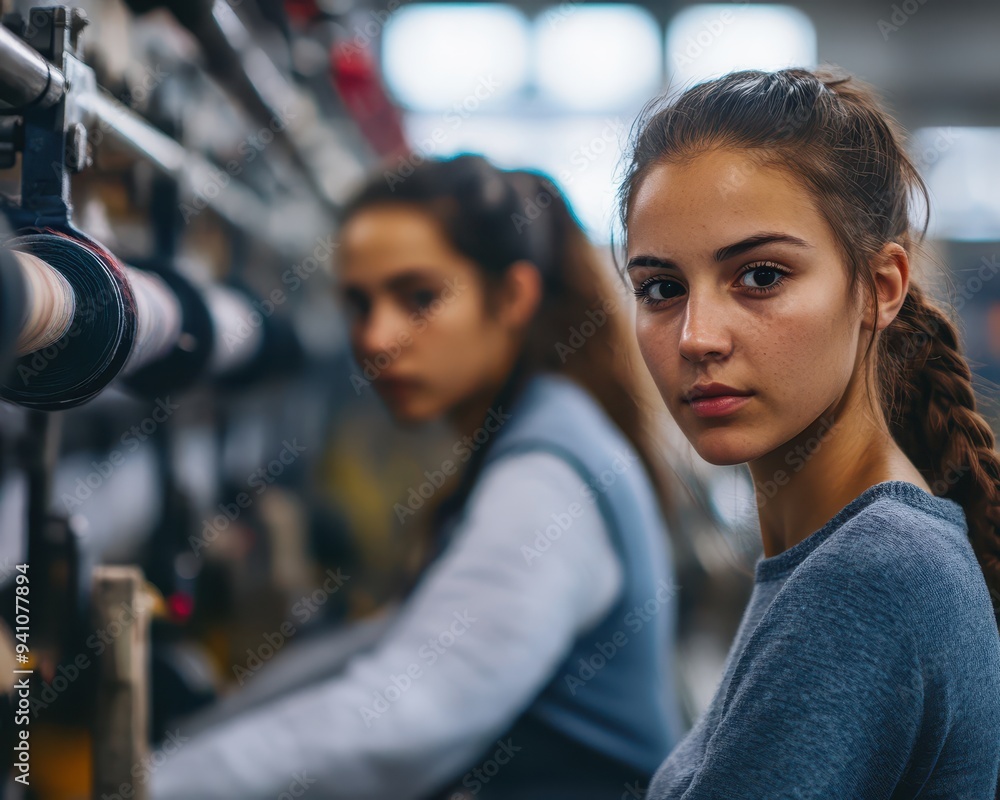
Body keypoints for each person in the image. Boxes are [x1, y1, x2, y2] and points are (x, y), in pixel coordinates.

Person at [151, 154, 683, 799]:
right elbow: (391, 643)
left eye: (419, 297)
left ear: (512, 297)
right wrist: (199, 738)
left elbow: (404, 718)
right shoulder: (533, 432)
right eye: (358, 302)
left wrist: (149, 789)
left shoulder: (545, 479)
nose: (376, 338)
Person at [618, 66, 1000, 798]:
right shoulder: (828, 552)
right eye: (661, 288)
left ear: (881, 288)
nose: (697, 337)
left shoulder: (871, 571)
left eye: (760, 276)